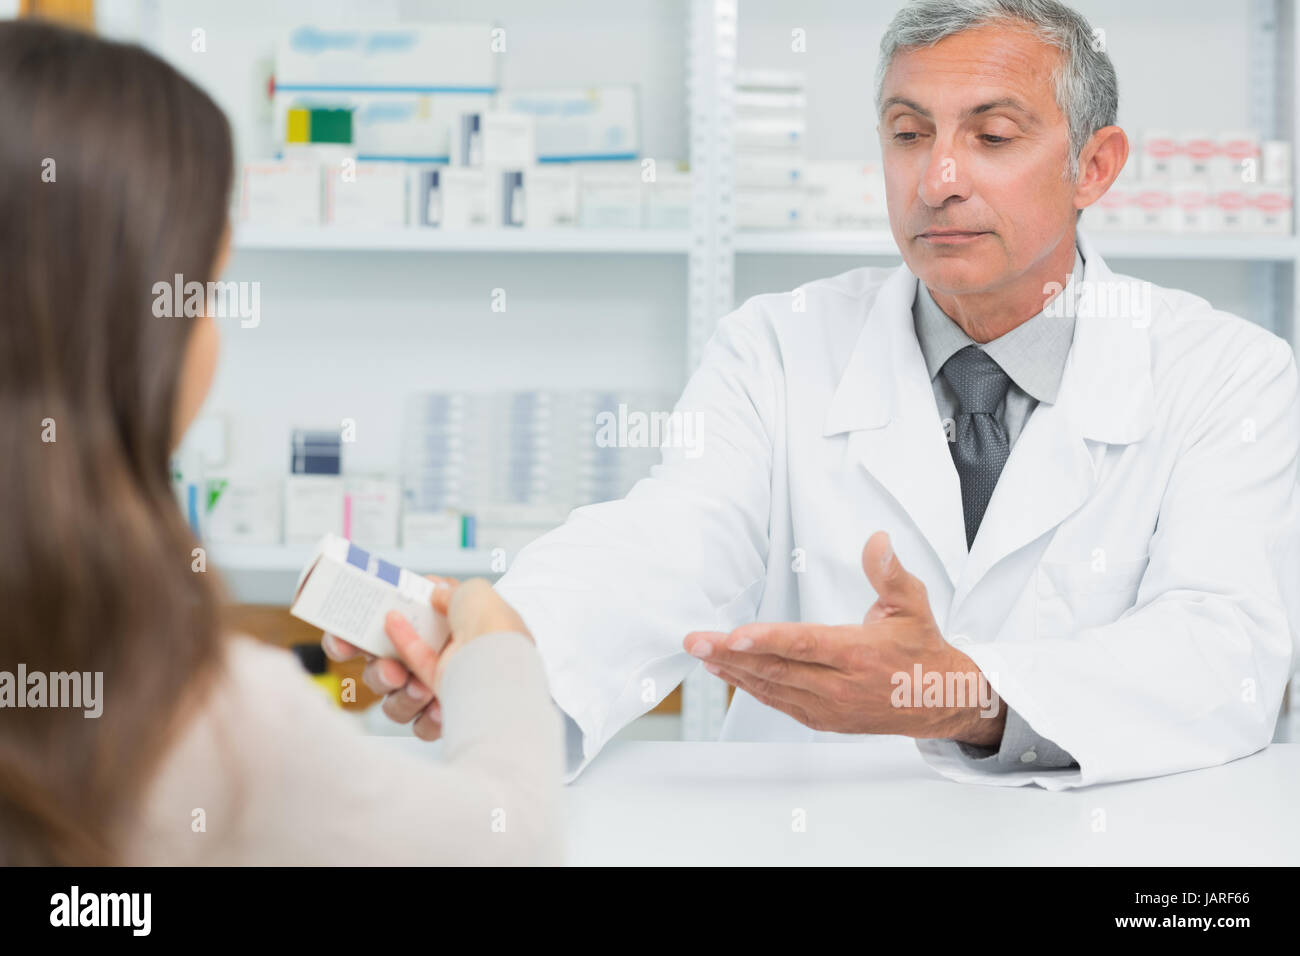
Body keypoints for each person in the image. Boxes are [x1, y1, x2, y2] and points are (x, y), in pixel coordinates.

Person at [335, 0, 1300, 791]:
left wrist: (963, 692)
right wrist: (508, 661)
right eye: (907, 134)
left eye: (993, 135)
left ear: (1095, 166)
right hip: (809, 836)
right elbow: (671, 543)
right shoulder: (779, 346)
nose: (939, 179)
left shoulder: (1228, 375)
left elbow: (1226, 655)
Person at [0, 18, 561, 866]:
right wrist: (499, 656)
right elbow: (506, 842)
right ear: (130, 327)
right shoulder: (202, 722)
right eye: (207, 290)